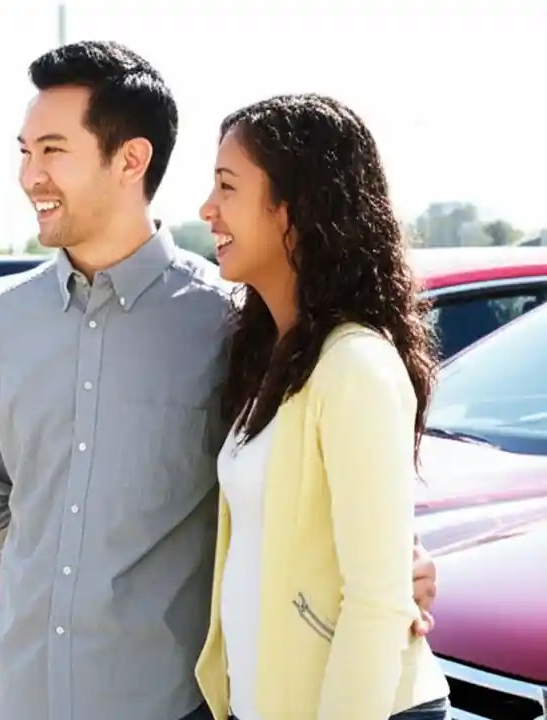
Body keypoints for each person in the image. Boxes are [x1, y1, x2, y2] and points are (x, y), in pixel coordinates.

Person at [0, 41, 438, 720]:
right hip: (26, 700)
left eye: (53, 151)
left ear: (130, 159)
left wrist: (398, 565)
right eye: (25, 151)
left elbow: (312, 489)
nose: (29, 176)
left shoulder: (234, 326)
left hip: (177, 706)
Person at [192, 94, 451, 720]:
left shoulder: (354, 366)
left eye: (227, 186)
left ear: (295, 212)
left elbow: (377, 600)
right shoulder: (272, 358)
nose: (207, 209)